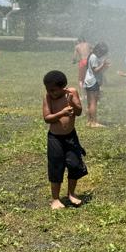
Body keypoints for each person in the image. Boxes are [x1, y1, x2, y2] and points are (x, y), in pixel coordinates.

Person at [42, 70, 86, 209]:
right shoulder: (48, 97)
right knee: (56, 166)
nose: (51, 92)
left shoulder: (71, 93)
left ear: (63, 87)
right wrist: (62, 113)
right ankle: (55, 199)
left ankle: (71, 194)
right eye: (48, 89)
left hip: (70, 136)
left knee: (74, 164)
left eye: (54, 90)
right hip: (55, 138)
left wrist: (73, 103)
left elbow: (78, 112)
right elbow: (47, 118)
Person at [83, 41, 110, 127]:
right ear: (99, 50)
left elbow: (97, 71)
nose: (102, 55)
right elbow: (95, 70)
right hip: (93, 82)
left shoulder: (91, 56)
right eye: (102, 53)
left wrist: (104, 67)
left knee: (89, 103)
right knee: (93, 102)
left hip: (89, 81)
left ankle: (89, 121)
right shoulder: (94, 57)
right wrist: (103, 64)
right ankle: (94, 122)